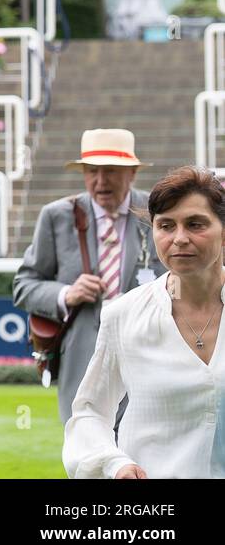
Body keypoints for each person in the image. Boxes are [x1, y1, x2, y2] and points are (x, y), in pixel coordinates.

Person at [62, 165, 225, 479]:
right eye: (165, 225)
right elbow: (89, 412)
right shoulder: (124, 315)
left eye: (195, 224)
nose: (179, 238)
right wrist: (114, 463)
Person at [13, 128, 163, 424]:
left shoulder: (157, 212)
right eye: (92, 171)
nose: (100, 181)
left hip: (149, 354)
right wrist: (65, 294)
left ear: (132, 173)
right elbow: (24, 286)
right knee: (85, 453)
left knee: (144, 452)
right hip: (82, 358)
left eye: (110, 171)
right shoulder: (56, 215)